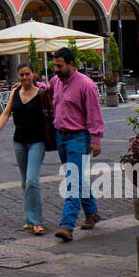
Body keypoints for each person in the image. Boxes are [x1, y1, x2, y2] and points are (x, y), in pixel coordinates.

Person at [48, 47, 104, 241]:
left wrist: (96, 140)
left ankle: (66, 225)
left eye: (59, 65)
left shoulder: (86, 85)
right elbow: (47, 91)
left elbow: (95, 114)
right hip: (60, 137)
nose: (55, 69)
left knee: (72, 180)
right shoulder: (55, 81)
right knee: (76, 177)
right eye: (54, 65)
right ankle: (92, 213)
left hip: (78, 137)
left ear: (71, 64)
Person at [0, 60, 47, 235]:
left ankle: (37, 221)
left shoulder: (42, 93)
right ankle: (30, 219)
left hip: (37, 141)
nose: (24, 77)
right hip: (19, 141)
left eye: (27, 74)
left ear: (34, 74)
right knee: (24, 181)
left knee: (32, 180)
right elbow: (6, 113)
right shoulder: (15, 92)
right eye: (21, 75)